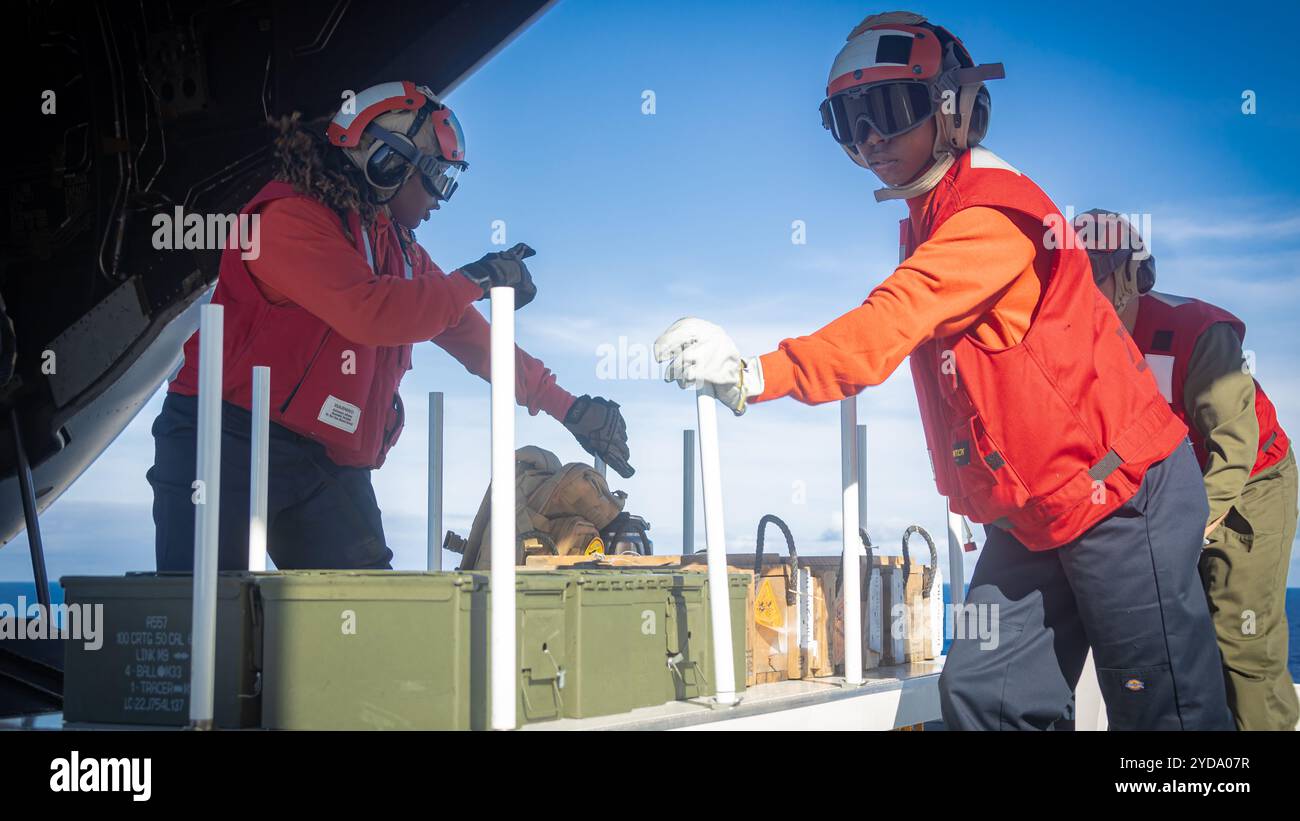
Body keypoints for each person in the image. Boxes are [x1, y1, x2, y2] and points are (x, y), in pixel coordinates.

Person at [654, 12, 1233, 729]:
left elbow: (891, 319)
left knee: (1165, 714)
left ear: (953, 109)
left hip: (1119, 494)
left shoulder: (992, 213)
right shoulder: (934, 216)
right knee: (985, 694)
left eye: (890, 111)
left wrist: (753, 373)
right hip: (1032, 514)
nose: (871, 140)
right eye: (849, 120)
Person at [148, 81, 633, 572]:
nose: (441, 198)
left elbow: (468, 334)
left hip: (327, 461)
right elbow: (373, 313)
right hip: (224, 443)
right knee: (207, 621)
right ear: (386, 161)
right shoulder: (287, 220)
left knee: (364, 617)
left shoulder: (392, 246)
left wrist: (567, 407)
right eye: (437, 177)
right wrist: (477, 277)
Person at [1076, 208, 1297, 730]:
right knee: (1166, 642)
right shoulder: (1079, 348)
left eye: (1094, 271)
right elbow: (1108, 448)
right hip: (1166, 490)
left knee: (1241, 641)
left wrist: (1183, 532)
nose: (1081, 288)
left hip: (1250, 485)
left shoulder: (1197, 331)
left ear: (1131, 275)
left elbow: (1233, 448)